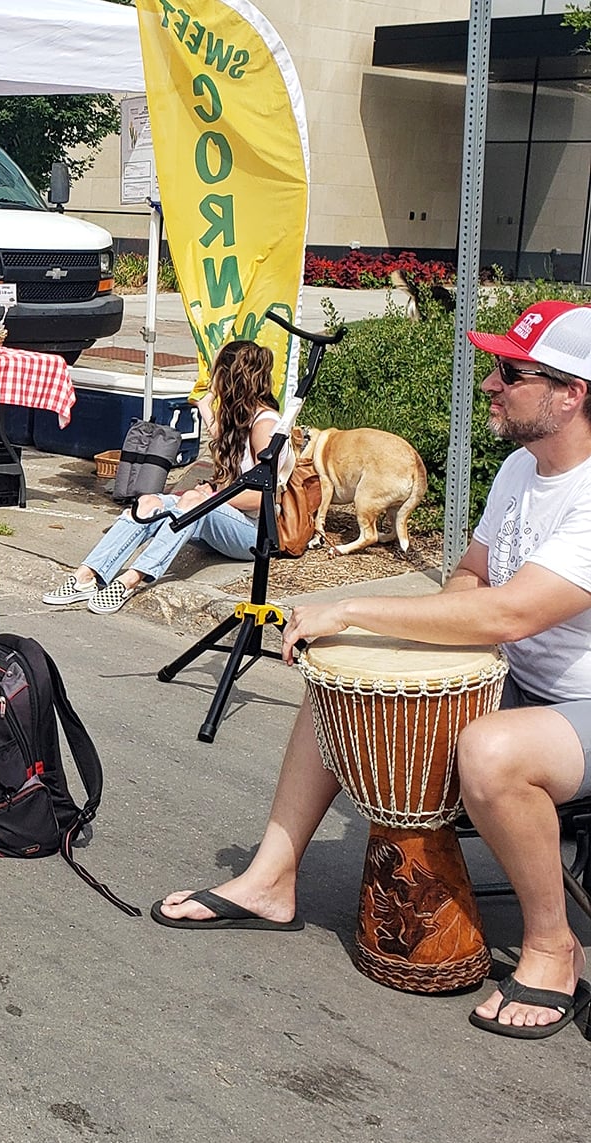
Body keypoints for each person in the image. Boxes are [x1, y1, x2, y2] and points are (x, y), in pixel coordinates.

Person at [153, 299, 591, 1041]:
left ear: (571, 391)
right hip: (520, 682)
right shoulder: (524, 467)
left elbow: (508, 615)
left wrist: (354, 610)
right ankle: (270, 880)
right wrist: (398, 652)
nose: (488, 383)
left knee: (490, 751)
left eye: (508, 372)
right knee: (346, 688)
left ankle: (554, 948)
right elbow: (471, 582)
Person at [42, 341, 293, 614]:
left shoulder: (265, 425)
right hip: (225, 518)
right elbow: (223, 438)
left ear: (231, 376)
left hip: (255, 533)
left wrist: (211, 496)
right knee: (148, 503)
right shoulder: (239, 417)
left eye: (215, 369)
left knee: (194, 502)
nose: (210, 376)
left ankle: (131, 580)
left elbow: (261, 496)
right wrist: (206, 405)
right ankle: (87, 576)